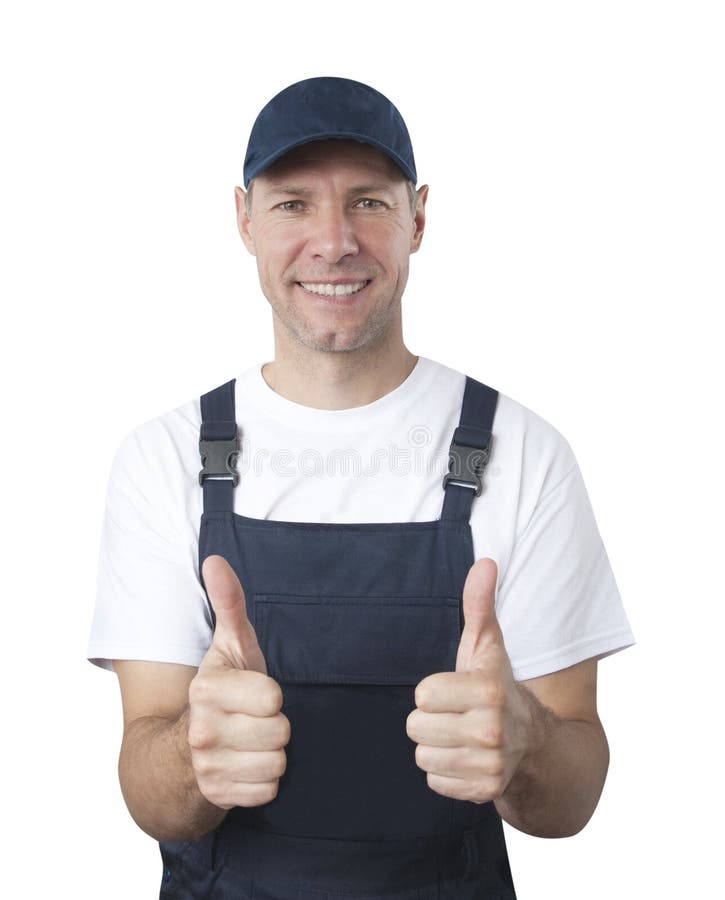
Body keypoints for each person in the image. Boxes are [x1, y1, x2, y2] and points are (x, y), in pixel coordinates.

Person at [87, 76, 635, 899]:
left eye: (369, 204)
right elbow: (147, 790)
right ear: (243, 219)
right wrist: (193, 758)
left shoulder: (526, 453)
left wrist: (524, 746)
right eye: (292, 204)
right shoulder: (161, 460)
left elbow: (573, 798)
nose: (333, 241)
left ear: (419, 216)